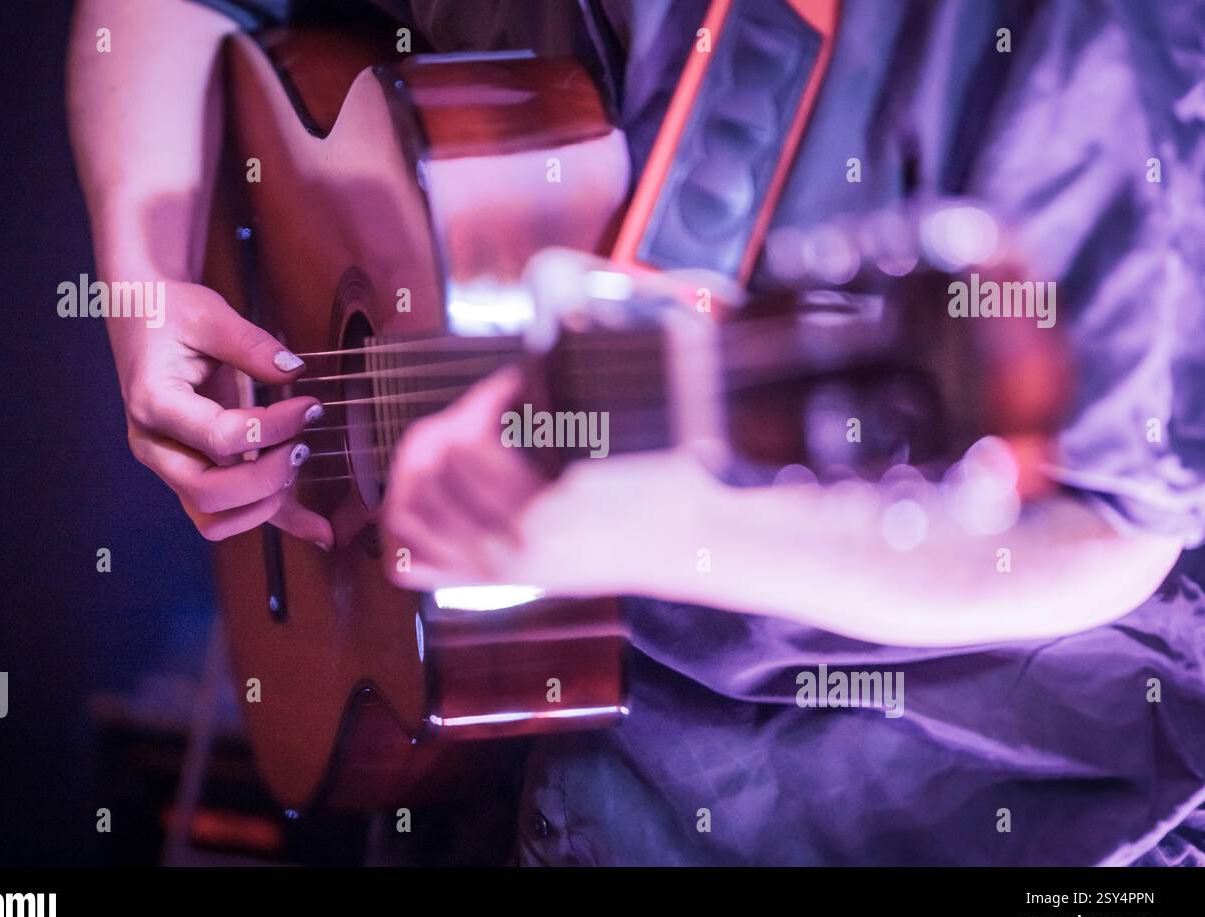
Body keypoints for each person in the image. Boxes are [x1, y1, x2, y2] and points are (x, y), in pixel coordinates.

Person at [68, 0, 1205, 864]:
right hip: (472, 779)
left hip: (891, 801)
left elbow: (1108, 526)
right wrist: (143, 274)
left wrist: (673, 534)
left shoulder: (1089, 38)